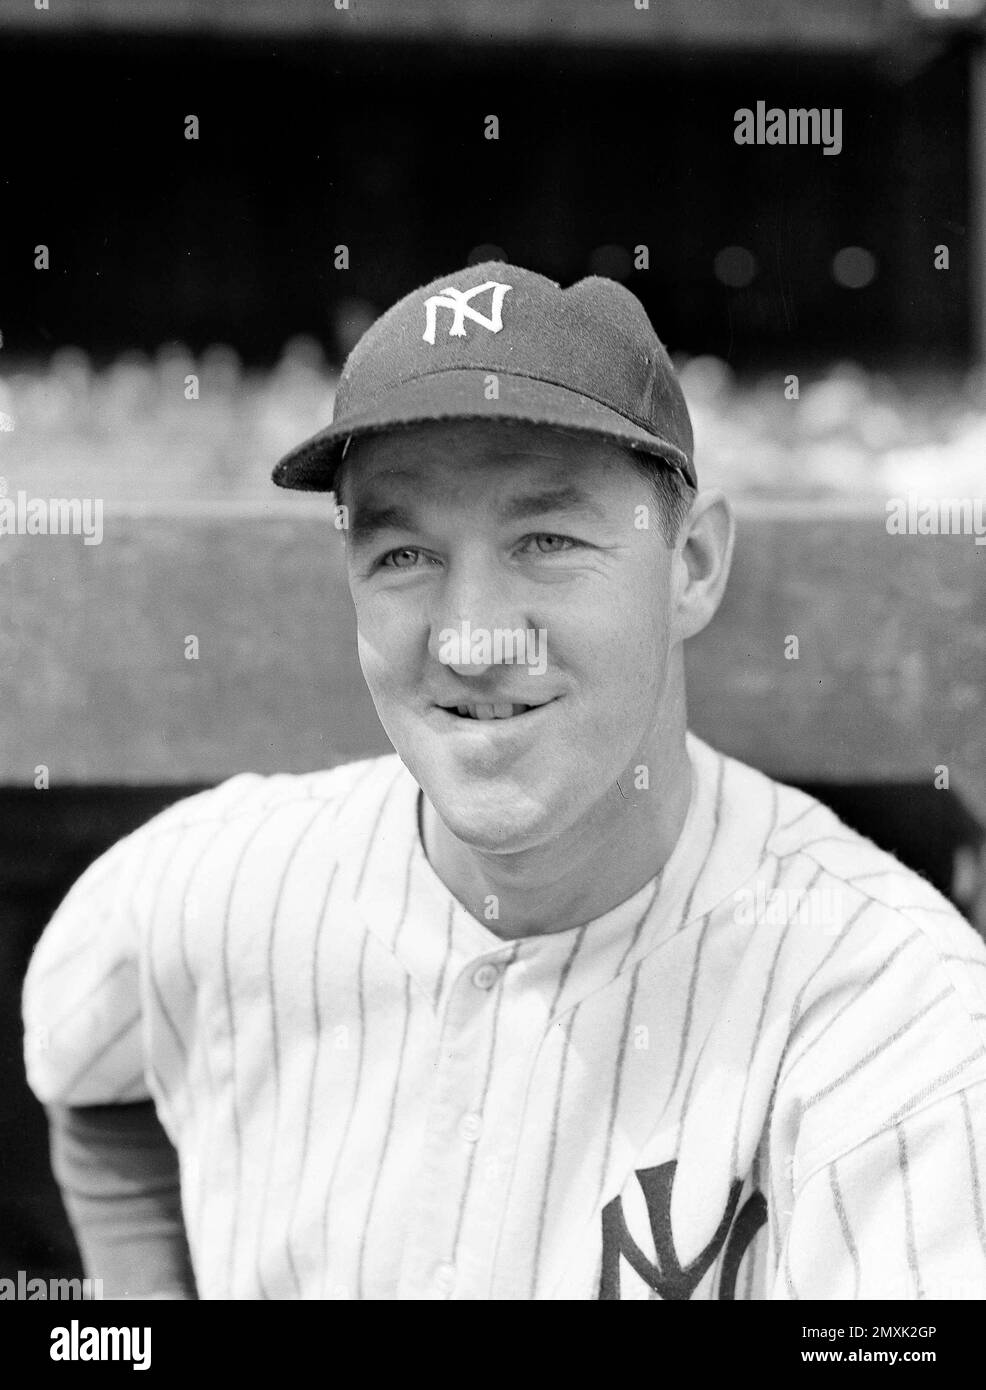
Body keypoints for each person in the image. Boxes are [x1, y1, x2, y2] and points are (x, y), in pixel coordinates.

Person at [23, 261, 986, 1300]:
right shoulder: (208, 884)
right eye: (402, 554)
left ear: (693, 565)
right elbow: (86, 1072)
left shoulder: (889, 1008)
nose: (471, 637)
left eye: (545, 539)